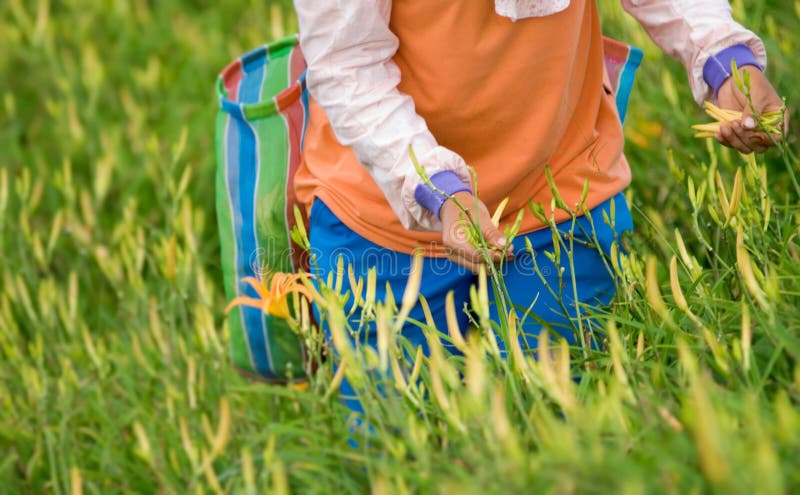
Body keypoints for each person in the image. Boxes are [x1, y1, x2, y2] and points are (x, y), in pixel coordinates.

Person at [291, 0, 786, 413]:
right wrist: (438, 190)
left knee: (565, 422)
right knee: (403, 437)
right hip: (384, 210)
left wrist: (727, 63)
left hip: (559, 184)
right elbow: (347, 63)